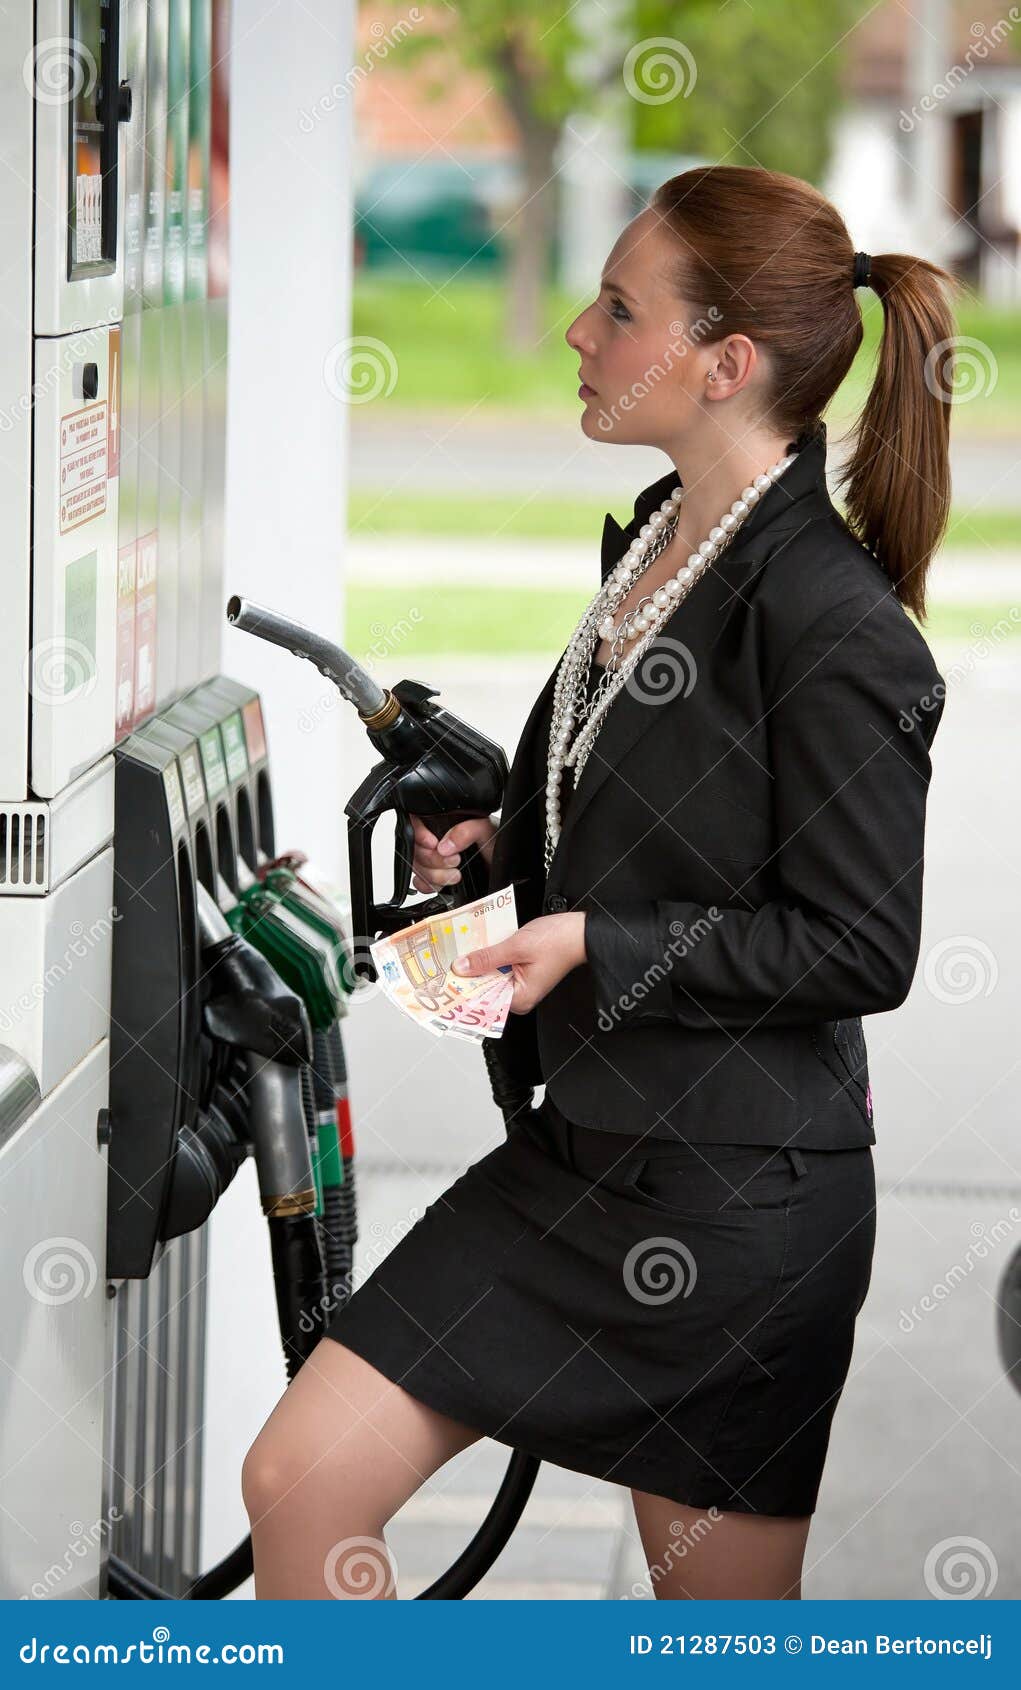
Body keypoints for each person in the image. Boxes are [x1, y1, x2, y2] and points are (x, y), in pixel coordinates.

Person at [241, 165, 955, 1600]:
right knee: (301, 1477)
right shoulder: (656, 542)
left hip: (737, 1209)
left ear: (723, 364)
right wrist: (496, 863)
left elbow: (858, 945)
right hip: (582, 1166)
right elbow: (652, 826)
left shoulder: (829, 620)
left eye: (618, 309)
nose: (577, 330)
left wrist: (595, 938)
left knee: (719, 1634)